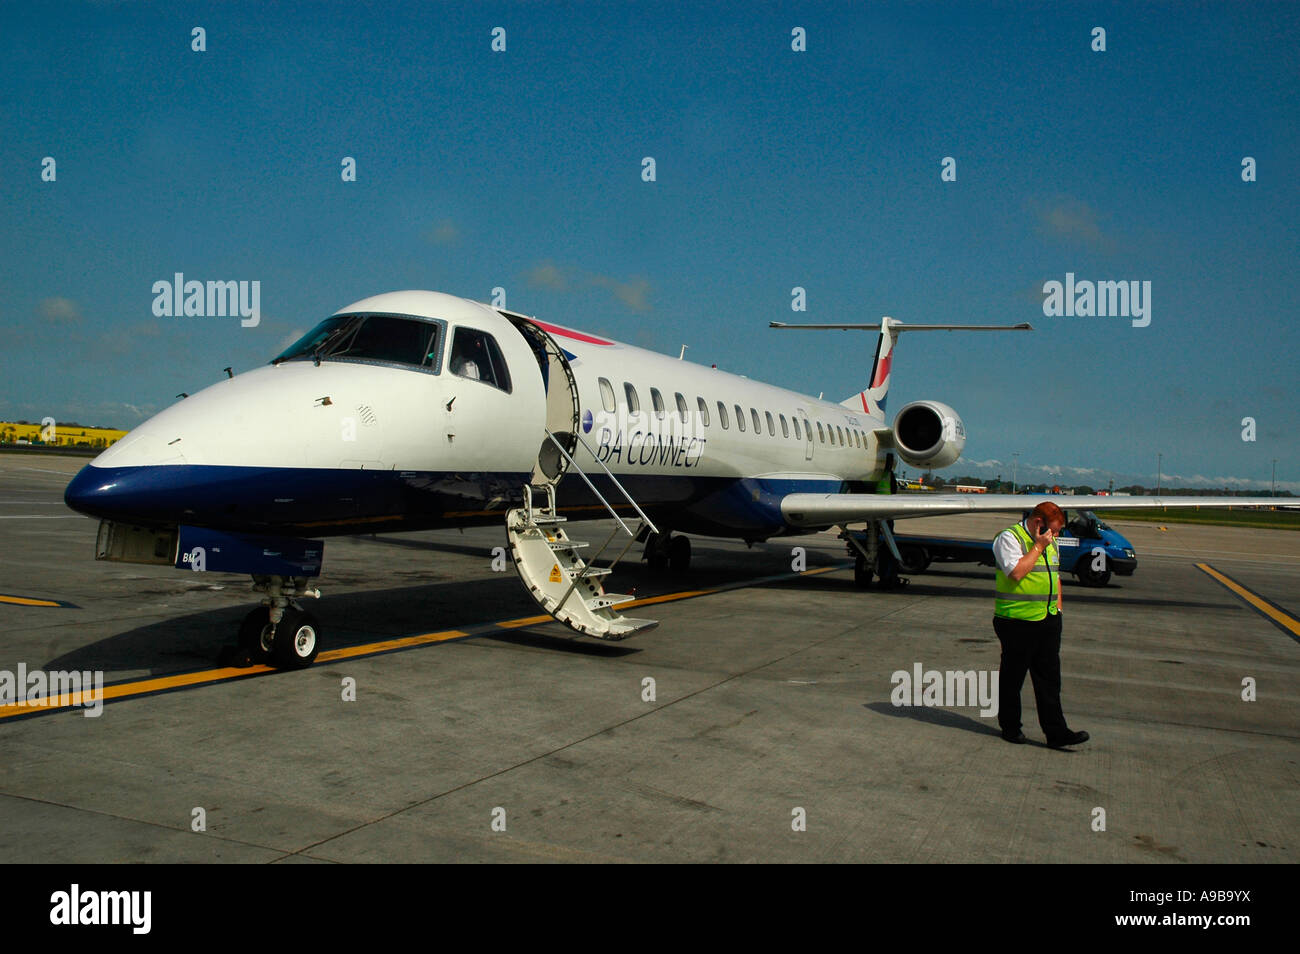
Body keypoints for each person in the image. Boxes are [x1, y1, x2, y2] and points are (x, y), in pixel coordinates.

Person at [992, 501, 1089, 748]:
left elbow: (1054, 575)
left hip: (1047, 619)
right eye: (1053, 531)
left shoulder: (1050, 540)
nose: (1056, 536)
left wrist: (1058, 609)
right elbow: (1016, 572)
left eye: (1058, 532)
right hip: (1017, 621)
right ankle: (1010, 727)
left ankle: (1057, 733)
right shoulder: (1009, 538)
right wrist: (1038, 546)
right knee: (1013, 678)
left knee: (1049, 680)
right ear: (1038, 523)